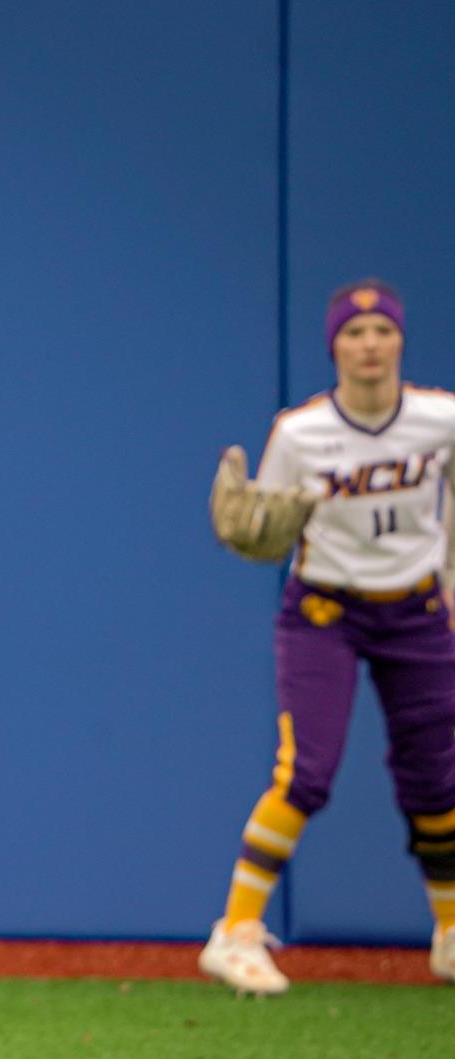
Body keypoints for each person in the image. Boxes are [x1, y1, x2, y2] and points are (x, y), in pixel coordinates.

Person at [204, 280, 455, 993]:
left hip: (416, 610)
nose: (370, 344)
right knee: (306, 771)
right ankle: (236, 931)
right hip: (326, 611)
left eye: (382, 330)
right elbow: (270, 527)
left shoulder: (440, 419)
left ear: (401, 339)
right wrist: (250, 532)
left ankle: (450, 932)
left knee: (436, 775)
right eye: (355, 332)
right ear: (334, 345)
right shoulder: (302, 431)